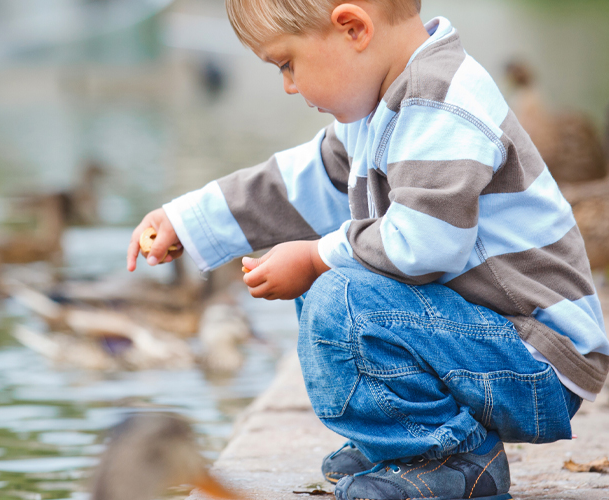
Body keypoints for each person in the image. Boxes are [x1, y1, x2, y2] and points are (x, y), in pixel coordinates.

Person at [125, 1, 608, 499]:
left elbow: (426, 243)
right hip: (489, 342)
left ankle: (446, 456)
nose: (289, 85)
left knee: (342, 295)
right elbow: (298, 184)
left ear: (353, 28)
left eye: (288, 63)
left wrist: (314, 258)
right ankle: (403, 436)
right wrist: (190, 219)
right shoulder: (382, 106)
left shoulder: (442, 102)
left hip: (538, 360)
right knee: (334, 282)